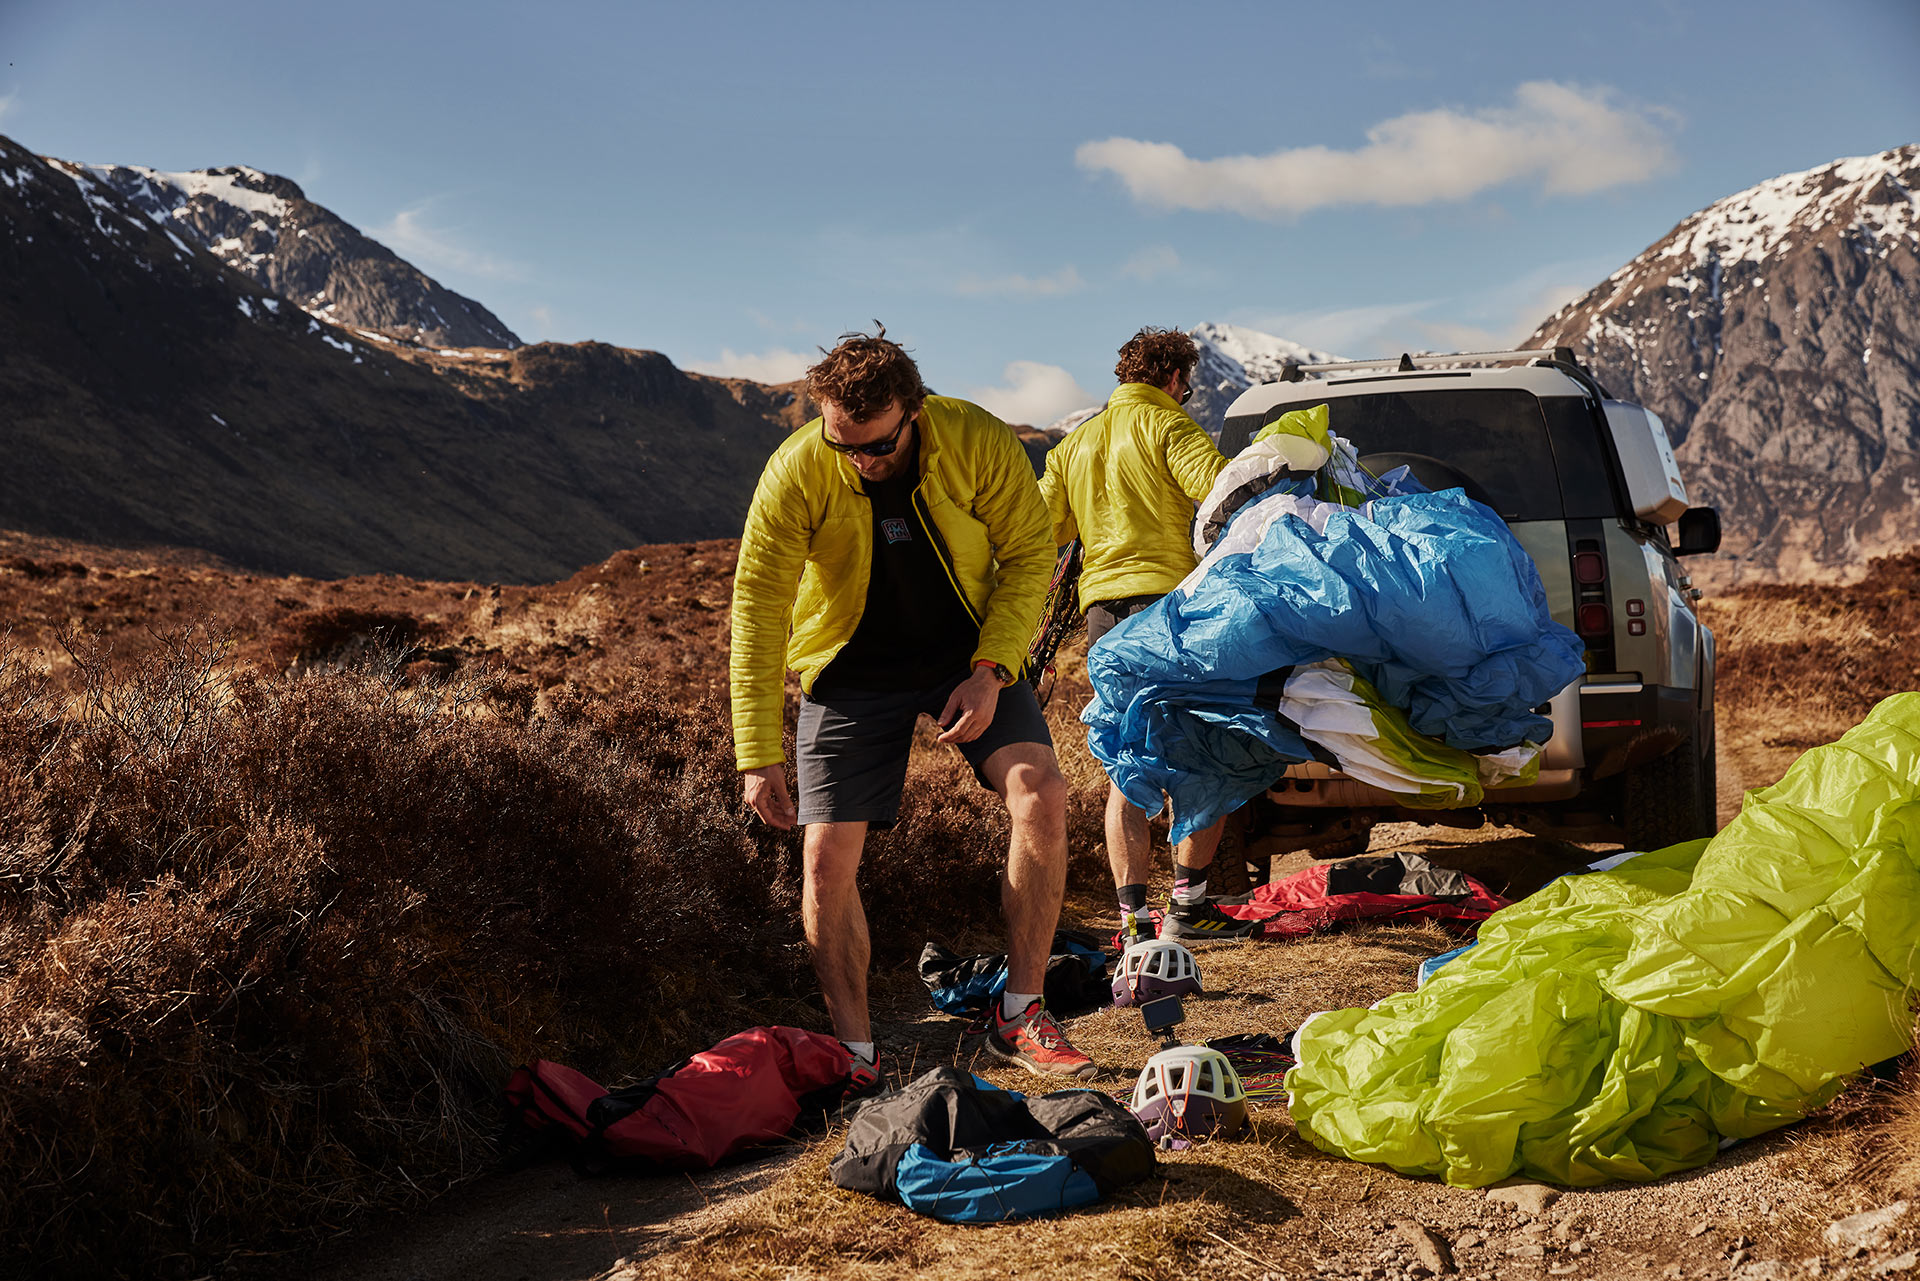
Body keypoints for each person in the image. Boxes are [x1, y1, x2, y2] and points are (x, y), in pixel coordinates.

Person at [730, 329, 1095, 1091]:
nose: (860, 460)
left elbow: (1031, 551)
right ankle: (858, 1057)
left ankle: (1020, 1012)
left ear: (915, 411)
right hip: (850, 667)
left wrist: (994, 669)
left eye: (877, 445)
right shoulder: (797, 469)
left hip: (969, 651)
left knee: (1044, 792)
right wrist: (756, 750)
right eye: (843, 445)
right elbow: (759, 606)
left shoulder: (976, 439)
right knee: (825, 858)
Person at [1037, 327, 1258, 946]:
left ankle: (1134, 920)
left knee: (1126, 761)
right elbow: (1224, 495)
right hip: (1171, 607)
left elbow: (1042, 526)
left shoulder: (1074, 444)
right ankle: (1187, 908)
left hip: (1103, 616)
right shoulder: (1169, 427)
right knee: (1202, 751)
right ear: (1174, 380)